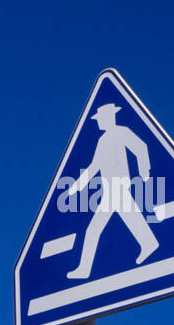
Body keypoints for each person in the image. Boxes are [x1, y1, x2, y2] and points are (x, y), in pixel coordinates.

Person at [62, 103, 159, 279]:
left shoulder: (121, 132)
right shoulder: (103, 140)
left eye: (100, 119)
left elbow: (141, 147)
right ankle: (149, 243)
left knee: (93, 229)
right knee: (130, 218)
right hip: (110, 189)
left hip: (119, 186)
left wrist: (144, 170)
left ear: (108, 118)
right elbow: (95, 166)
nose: (98, 123)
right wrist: (75, 188)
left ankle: (84, 269)